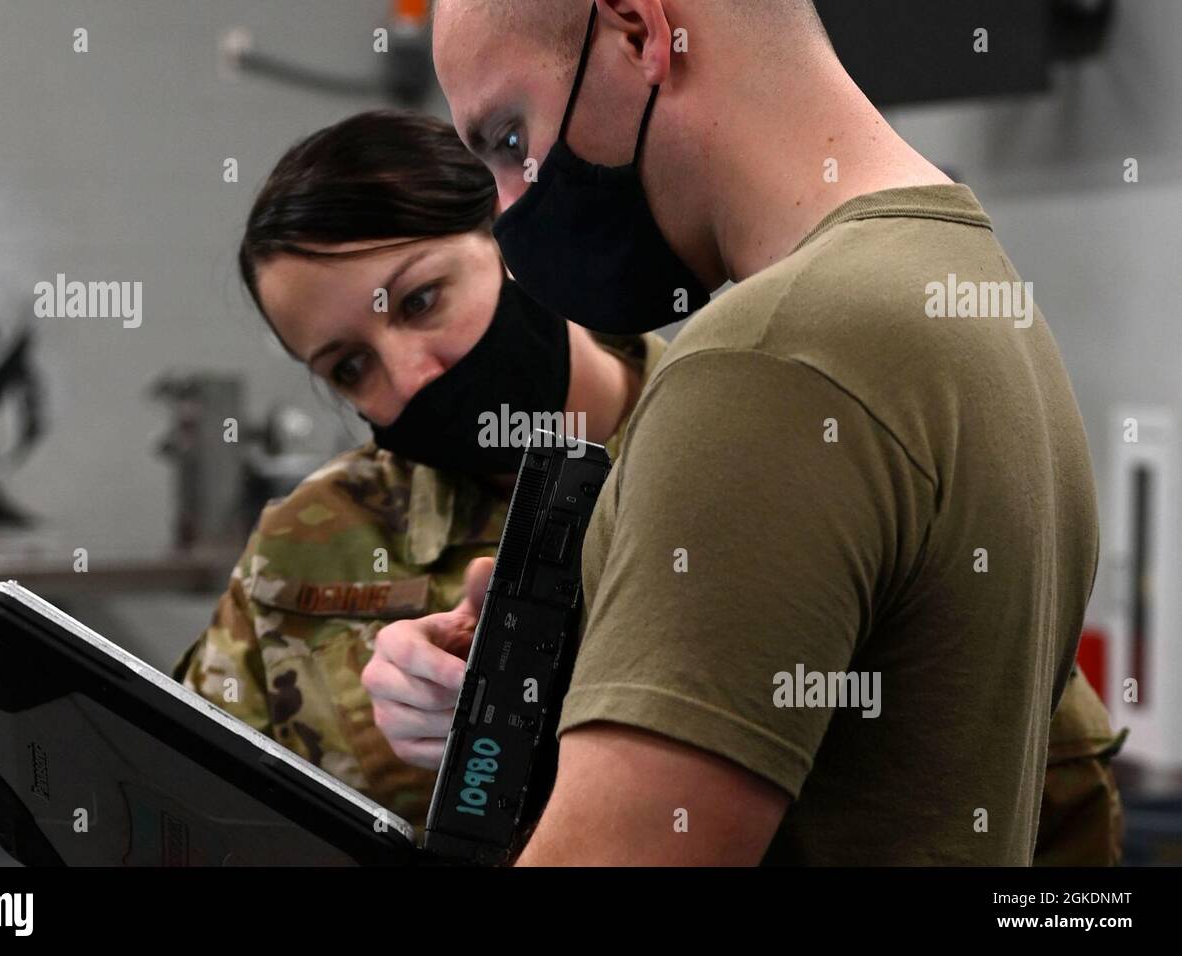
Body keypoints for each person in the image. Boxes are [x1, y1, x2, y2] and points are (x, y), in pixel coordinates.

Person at [365, 0, 1120, 864]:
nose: (505, 215)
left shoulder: (771, 358)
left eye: (509, 140)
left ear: (640, 32)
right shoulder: (979, 299)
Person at [172, 109, 667, 829]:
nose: (409, 377)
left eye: (421, 300)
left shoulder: (727, 457)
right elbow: (187, 809)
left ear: (512, 228)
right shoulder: (309, 541)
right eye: (349, 366)